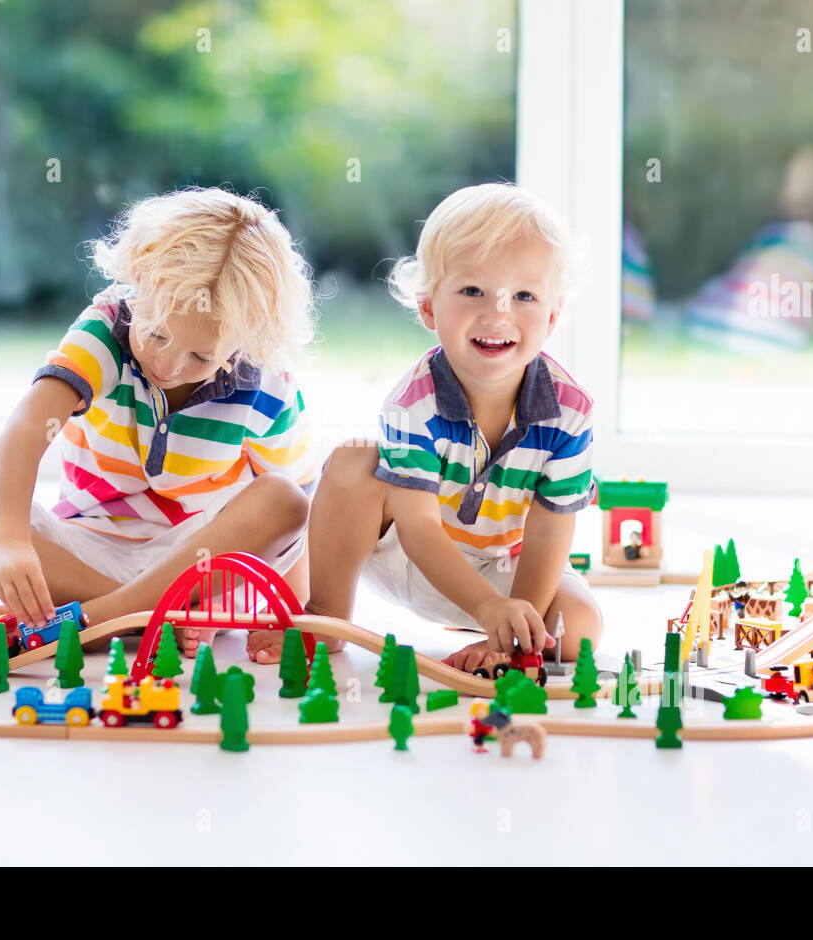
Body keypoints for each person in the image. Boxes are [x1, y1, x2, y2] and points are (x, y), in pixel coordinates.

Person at [0, 187, 317, 656]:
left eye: (200, 355)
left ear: (247, 339)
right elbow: (27, 429)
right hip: (84, 548)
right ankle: (144, 619)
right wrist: (9, 542)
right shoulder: (106, 329)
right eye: (156, 334)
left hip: (195, 566)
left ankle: (93, 621)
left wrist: (291, 615)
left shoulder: (265, 376)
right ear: (138, 282)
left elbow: (294, 522)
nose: (169, 365)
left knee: (284, 500)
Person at [250, 183, 603, 674]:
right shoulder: (413, 403)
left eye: (523, 295)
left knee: (581, 628)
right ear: (429, 307)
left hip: (502, 567)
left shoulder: (570, 411)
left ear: (552, 314)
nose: (497, 312)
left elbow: (549, 534)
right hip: (408, 555)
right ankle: (324, 616)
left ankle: (489, 636)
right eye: (472, 290)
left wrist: (511, 630)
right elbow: (418, 526)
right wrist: (485, 608)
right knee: (356, 458)